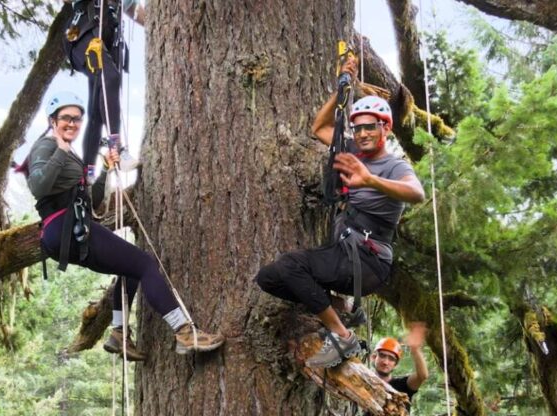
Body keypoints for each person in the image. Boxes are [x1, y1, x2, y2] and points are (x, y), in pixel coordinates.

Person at [25, 91, 224, 360]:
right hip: (64, 227)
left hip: (71, 230)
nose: (72, 123)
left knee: (129, 269)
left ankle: (119, 334)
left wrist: (106, 169)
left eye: (77, 118)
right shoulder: (47, 146)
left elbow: (91, 200)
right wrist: (60, 152)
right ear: (52, 120)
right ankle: (184, 331)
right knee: (145, 264)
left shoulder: (70, 153)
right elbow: (38, 186)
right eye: (66, 118)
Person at [254, 57, 425, 368]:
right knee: (269, 278)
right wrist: (342, 88)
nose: (361, 135)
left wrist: (370, 179)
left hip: (368, 260)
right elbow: (319, 127)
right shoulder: (350, 150)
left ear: (384, 128)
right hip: (343, 253)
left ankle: (342, 335)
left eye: (369, 128)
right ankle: (338, 307)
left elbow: (417, 193)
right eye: (357, 129)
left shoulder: (395, 166)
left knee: (292, 265)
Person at [61, 0, 145, 181]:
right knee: (111, 77)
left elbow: (134, 11)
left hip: (108, 37)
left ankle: (87, 174)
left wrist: (156, 24)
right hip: (83, 31)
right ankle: (117, 148)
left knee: (97, 112)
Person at [370, 323, 429, 410]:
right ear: (374, 357)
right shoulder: (363, 384)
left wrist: (415, 350)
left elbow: (422, 376)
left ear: (395, 365)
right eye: (382, 355)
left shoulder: (403, 386)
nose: (386, 362)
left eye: (391, 359)